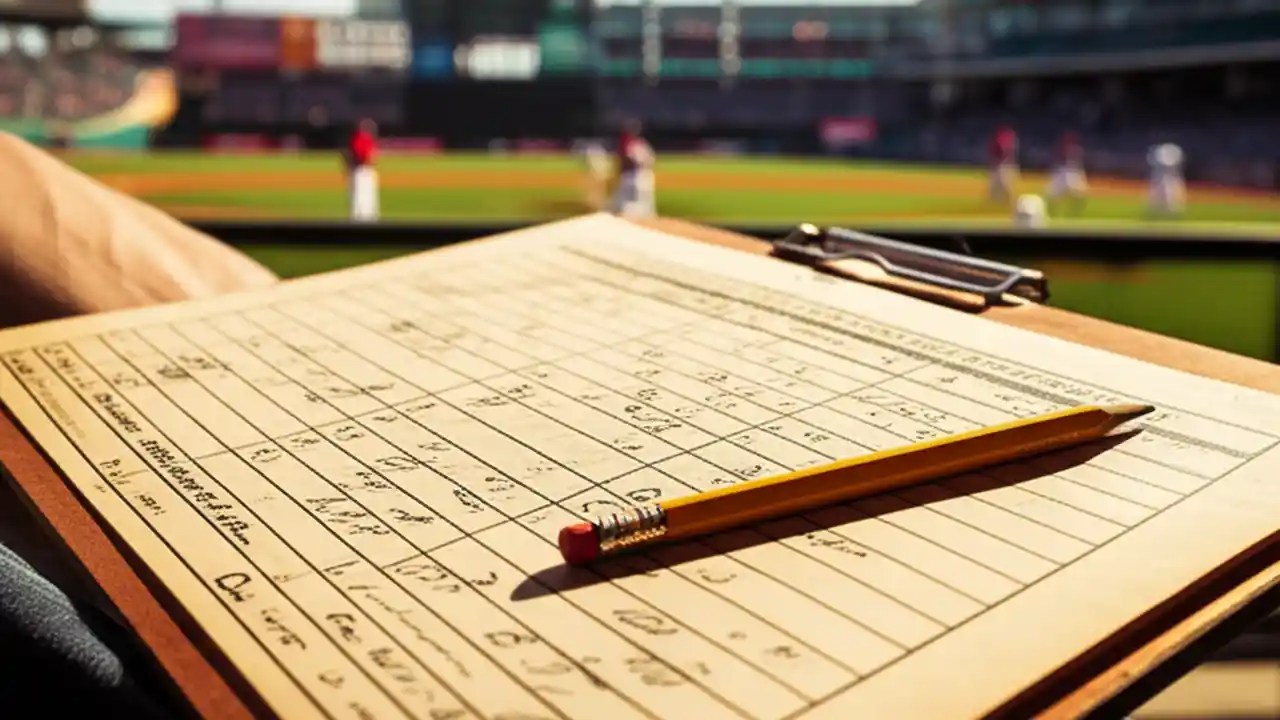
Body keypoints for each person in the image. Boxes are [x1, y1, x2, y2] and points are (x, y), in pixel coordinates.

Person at [609, 120, 656, 218]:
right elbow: (651, 160)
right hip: (646, 177)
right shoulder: (642, 144)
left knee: (618, 207)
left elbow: (626, 160)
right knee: (647, 209)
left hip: (631, 178)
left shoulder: (628, 144)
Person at [344, 118, 380, 222]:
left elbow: (348, 156)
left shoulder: (355, 139)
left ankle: (360, 219)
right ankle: (365, 220)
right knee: (365, 197)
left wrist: (348, 168)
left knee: (358, 197)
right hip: (364, 170)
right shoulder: (364, 139)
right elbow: (369, 156)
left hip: (358, 170)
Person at [1046, 131, 1088, 215]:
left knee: (1080, 196)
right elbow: (1055, 163)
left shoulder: (1076, 150)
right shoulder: (1059, 149)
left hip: (1072, 173)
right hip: (1061, 172)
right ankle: (1053, 214)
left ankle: (1074, 214)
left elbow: (1078, 165)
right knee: (1052, 195)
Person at [1147, 142, 1186, 216]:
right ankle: (1159, 207)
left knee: (1170, 191)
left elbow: (1172, 166)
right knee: (1159, 191)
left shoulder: (1171, 152)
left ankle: (1171, 207)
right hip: (1162, 176)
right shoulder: (1164, 153)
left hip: (1170, 176)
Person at [987, 125, 1019, 204]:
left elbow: (1007, 154)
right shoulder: (1003, 140)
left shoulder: (1006, 141)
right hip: (1001, 165)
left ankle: (1011, 201)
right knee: (995, 186)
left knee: (1005, 185)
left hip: (1004, 166)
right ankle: (995, 202)